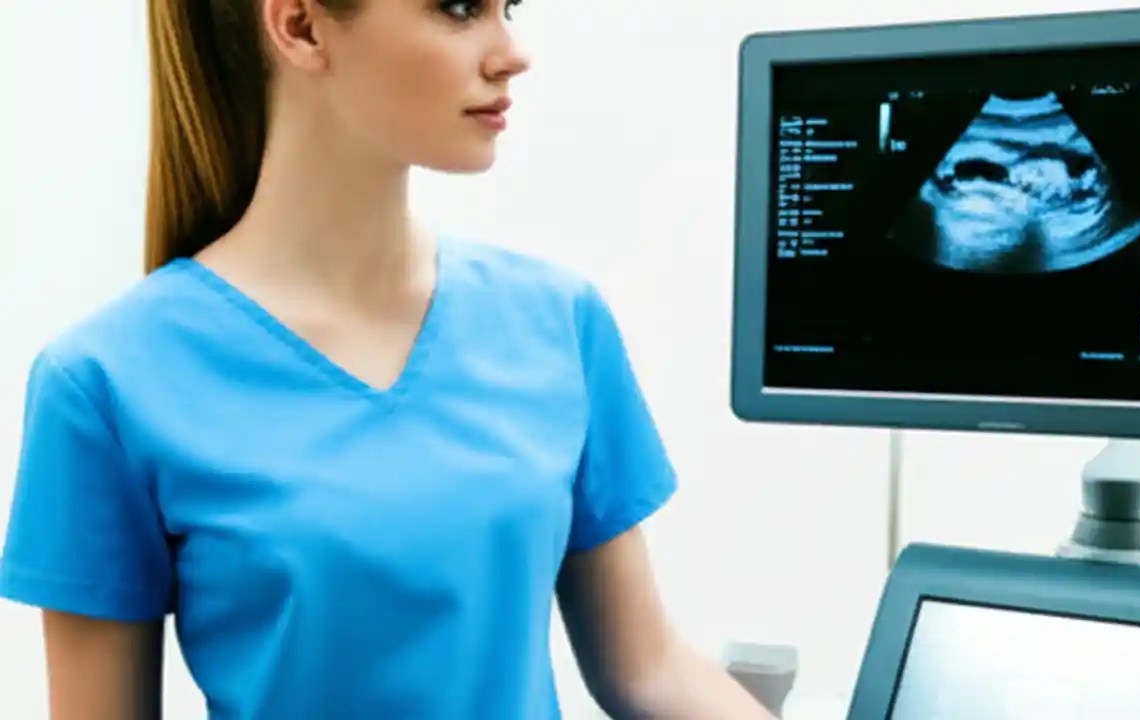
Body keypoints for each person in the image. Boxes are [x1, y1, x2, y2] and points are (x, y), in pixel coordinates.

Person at [0, 1, 776, 718]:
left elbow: (649, 669)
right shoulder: (105, 382)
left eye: (508, 9)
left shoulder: (559, 321)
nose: (511, 53)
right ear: (302, 26)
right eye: (460, 8)